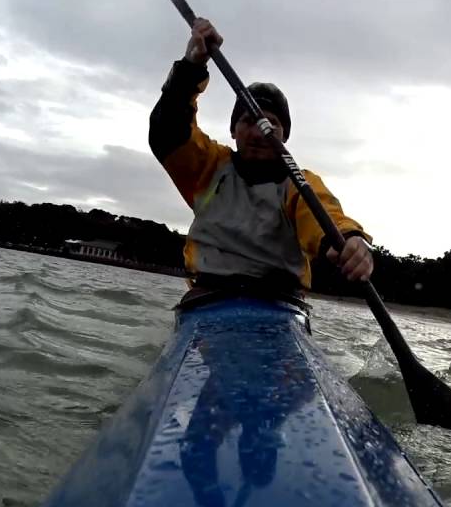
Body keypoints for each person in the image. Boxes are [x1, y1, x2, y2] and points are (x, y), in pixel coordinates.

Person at [149, 17, 374, 303]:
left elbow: (324, 215)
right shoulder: (207, 166)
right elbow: (167, 132)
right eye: (248, 121)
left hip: (280, 304)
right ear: (233, 130)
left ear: (284, 135)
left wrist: (348, 239)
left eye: (270, 124)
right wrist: (192, 66)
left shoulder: (298, 183)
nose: (258, 133)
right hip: (207, 299)